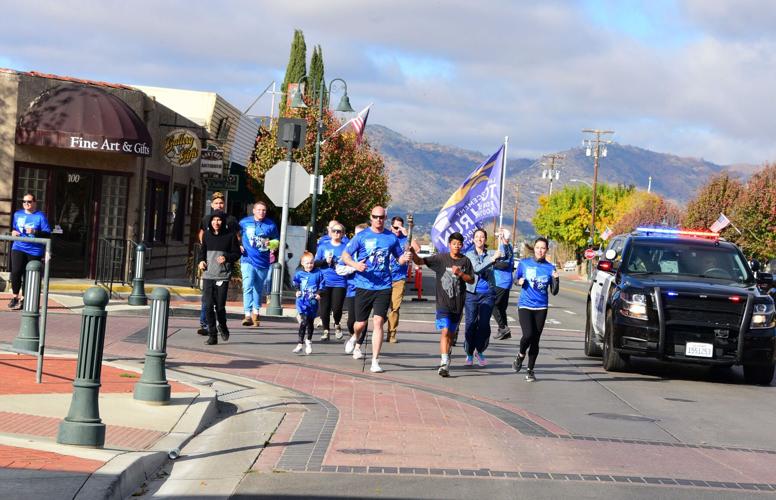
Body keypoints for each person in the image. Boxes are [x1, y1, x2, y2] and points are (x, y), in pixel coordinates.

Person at [340, 206, 411, 373]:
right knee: (360, 324)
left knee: (378, 322)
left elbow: (399, 259)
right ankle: (354, 337)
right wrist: (355, 265)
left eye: (381, 217)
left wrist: (404, 258)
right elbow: (345, 255)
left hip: (384, 285)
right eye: (375, 217)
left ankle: (375, 361)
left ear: (385, 218)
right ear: (370, 217)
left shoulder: (390, 238)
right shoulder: (362, 236)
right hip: (364, 285)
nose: (378, 220)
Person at [409, 232, 474, 377]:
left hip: (457, 304)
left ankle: (447, 353)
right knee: (445, 331)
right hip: (443, 303)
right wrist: (412, 252)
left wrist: (461, 275)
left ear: (462, 245)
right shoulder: (440, 259)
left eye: (459, 244)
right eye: (454, 243)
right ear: (449, 245)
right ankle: (444, 363)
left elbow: (471, 280)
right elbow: (420, 262)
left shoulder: (466, 261)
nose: (457, 246)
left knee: (450, 334)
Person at [512, 237, 560, 382]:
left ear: (546, 250)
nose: (540, 250)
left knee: (535, 340)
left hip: (541, 307)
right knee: (528, 335)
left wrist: (556, 279)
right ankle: (520, 355)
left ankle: (530, 370)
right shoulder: (524, 263)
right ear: (534, 248)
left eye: (543, 248)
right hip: (525, 304)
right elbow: (515, 279)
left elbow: (555, 291)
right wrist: (518, 281)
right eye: (538, 247)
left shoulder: (550, 268)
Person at [197, 192, 238, 336]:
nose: (219, 205)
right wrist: (203, 256)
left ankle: (221, 326)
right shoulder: (206, 220)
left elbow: (236, 242)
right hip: (209, 268)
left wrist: (227, 256)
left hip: (223, 270)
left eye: (221, 203)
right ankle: (207, 326)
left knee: (219, 305)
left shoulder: (231, 221)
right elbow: (202, 235)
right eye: (216, 203)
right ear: (212, 205)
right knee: (207, 302)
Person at [463, 228, 501, 367]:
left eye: (482, 237)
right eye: (477, 237)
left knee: (484, 325)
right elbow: (477, 269)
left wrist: (505, 241)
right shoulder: (469, 255)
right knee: (471, 324)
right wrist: (492, 259)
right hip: (472, 294)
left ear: (485, 240)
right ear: (473, 239)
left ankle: (479, 350)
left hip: (488, 294)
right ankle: (469, 352)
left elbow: (506, 256)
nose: (479, 239)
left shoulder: (490, 253)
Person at [238, 201, 279, 327]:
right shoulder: (244, 222)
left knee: (258, 288)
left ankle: (256, 312)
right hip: (247, 259)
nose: (261, 212)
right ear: (254, 211)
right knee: (247, 285)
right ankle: (247, 315)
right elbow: (235, 235)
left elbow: (277, 241)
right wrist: (238, 245)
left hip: (262, 260)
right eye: (259, 210)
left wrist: (271, 244)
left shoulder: (270, 224)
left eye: (264, 210)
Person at [9, 193, 50, 310]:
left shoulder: (40, 216)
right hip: (18, 247)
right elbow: (15, 229)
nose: (26, 203)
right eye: (24, 201)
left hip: (34, 250)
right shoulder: (17, 214)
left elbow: (48, 234)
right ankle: (15, 296)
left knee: (28, 275)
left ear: (35, 203)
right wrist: (13, 232)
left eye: (29, 201)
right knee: (16, 272)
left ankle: (24, 299)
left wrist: (35, 231)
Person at [314, 222, 348, 341]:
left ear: (343, 234)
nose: (336, 233)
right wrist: (325, 261)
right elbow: (315, 262)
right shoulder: (324, 246)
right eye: (334, 231)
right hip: (325, 281)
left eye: (339, 231)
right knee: (324, 308)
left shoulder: (346, 247)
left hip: (340, 281)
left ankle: (337, 324)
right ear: (330, 232)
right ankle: (326, 331)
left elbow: (351, 262)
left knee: (337, 308)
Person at [342, 223, 369, 359]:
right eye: (355, 234)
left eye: (360, 234)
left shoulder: (370, 250)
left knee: (362, 319)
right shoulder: (349, 249)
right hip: (352, 288)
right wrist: (354, 267)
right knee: (351, 321)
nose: (357, 237)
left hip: (366, 287)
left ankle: (358, 346)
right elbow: (340, 268)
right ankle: (353, 336)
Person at [292, 252, 326, 355]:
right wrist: (297, 290)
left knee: (310, 322)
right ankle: (299, 343)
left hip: (312, 302)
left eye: (311, 263)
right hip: (302, 302)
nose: (309, 265)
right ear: (302, 263)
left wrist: (319, 294)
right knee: (304, 321)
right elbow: (295, 282)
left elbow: (322, 285)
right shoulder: (299, 273)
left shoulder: (318, 273)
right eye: (307, 263)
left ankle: (309, 341)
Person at [386, 216, 409, 343]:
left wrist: (407, 235)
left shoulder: (404, 239)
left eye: (400, 228)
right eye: (396, 227)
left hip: (399, 278)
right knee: (382, 308)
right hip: (384, 278)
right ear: (391, 227)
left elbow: (416, 249)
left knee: (395, 307)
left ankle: (392, 333)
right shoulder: (386, 237)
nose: (398, 230)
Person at [492, 228, 515, 340]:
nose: (498, 237)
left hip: (501, 281)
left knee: (493, 304)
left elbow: (505, 265)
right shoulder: (508, 247)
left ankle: (502, 328)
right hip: (504, 281)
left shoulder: (505, 247)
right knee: (501, 307)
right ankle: (505, 331)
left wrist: (492, 262)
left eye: (500, 236)